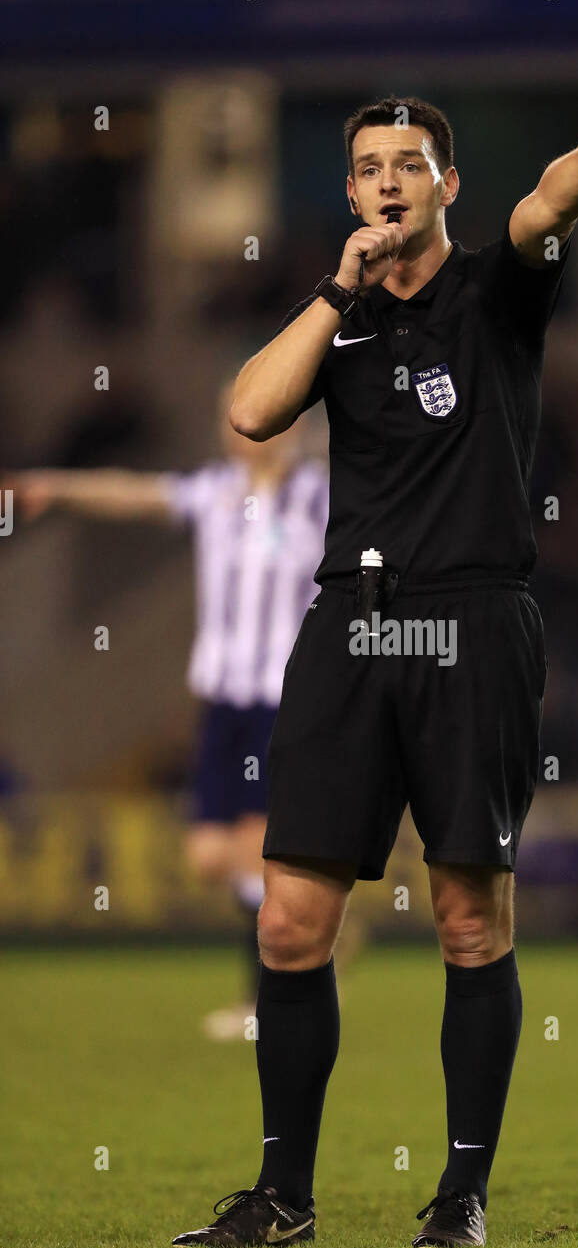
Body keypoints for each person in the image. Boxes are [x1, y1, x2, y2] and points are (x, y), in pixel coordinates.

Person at [172, 80, 578, 1248]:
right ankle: (282, 1197)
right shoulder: (336, 314)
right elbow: (249, 410)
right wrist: (337, 285)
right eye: (370, 166)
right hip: (350, 622)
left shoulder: (498, 288)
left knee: (467, 919)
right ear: (349, 191)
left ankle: (461, 1194)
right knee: (289, 924)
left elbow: (549, 210)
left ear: (448, 182)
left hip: (474, 620)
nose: (390, 180)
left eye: (412, 163)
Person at [13, 385, 329, 1035]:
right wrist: (59, 487)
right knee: (210, 854)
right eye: (230, 419)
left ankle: (270, 1001)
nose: (240, 431)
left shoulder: (320, 500)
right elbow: (134, 493)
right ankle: (317, 926)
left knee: (256, 845)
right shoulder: (213, 494)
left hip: (283, 699)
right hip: (220, 702)